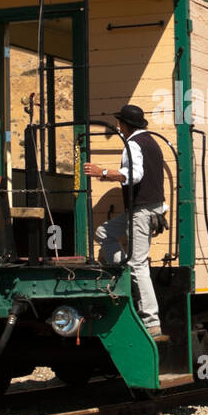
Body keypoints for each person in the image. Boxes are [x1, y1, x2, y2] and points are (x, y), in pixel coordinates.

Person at [84, 104, 166, 337]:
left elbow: (136, 175)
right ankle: (124, 277)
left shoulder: (134, 143)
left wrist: (103, 172)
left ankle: (151, 320)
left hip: (141, 210)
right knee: (104, 233)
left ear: (125, 124)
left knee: (138, 263)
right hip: (146, 209)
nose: (118, 126)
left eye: (120, 123)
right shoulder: (151, 141)